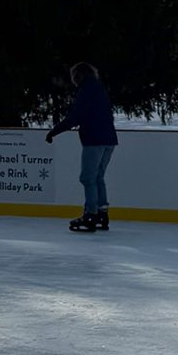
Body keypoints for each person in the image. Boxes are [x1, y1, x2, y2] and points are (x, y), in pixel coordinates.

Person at [46, 62, 118, 233]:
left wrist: (54, 132)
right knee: (98, 177)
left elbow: (75, 117)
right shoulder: (99, 89)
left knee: (88, 178)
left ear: (78, 76)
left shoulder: (86, 90)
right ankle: (102, 213)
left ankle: (90, 215)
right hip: (109, 139)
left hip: (94, 140)